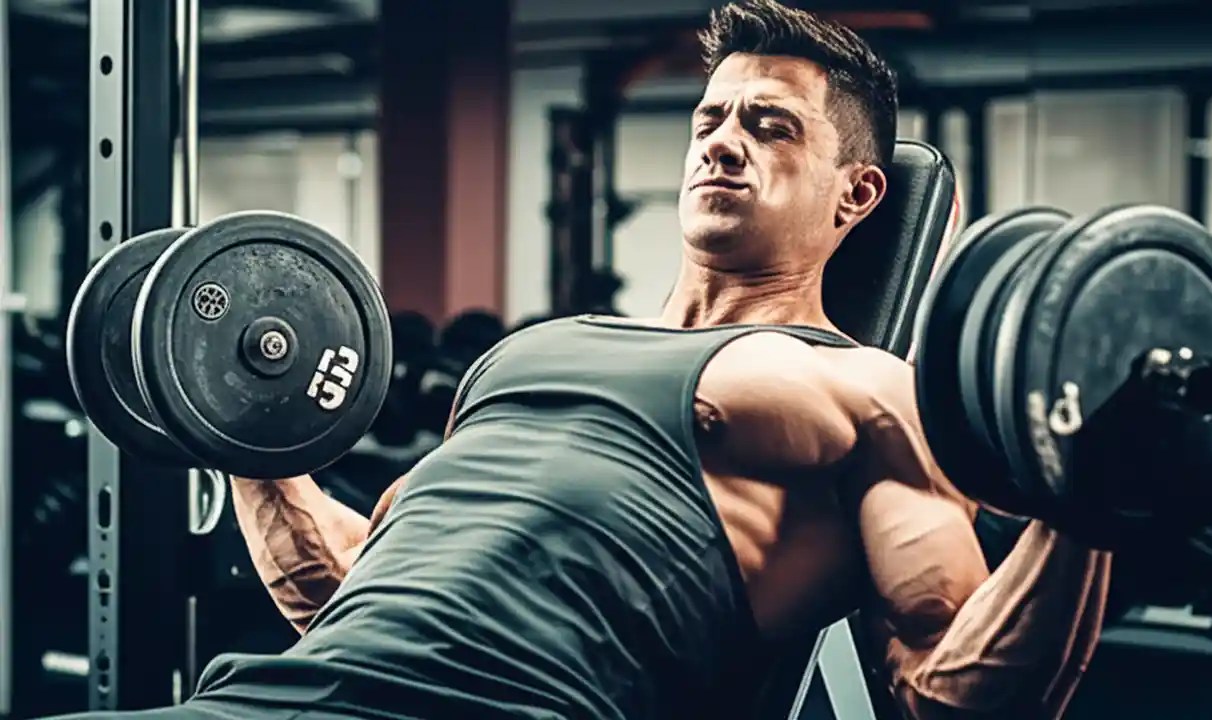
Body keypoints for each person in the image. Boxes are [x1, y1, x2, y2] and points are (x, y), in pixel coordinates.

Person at [52, 1, 1110, 718]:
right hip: (268, 696)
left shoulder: (865, 390)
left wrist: (1089, 497)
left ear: (856, 195)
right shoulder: (529, 350)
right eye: (709, 116)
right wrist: (251, 439)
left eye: (770, 125)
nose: (720, 140)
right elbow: (352, 595)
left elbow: (945, 691)